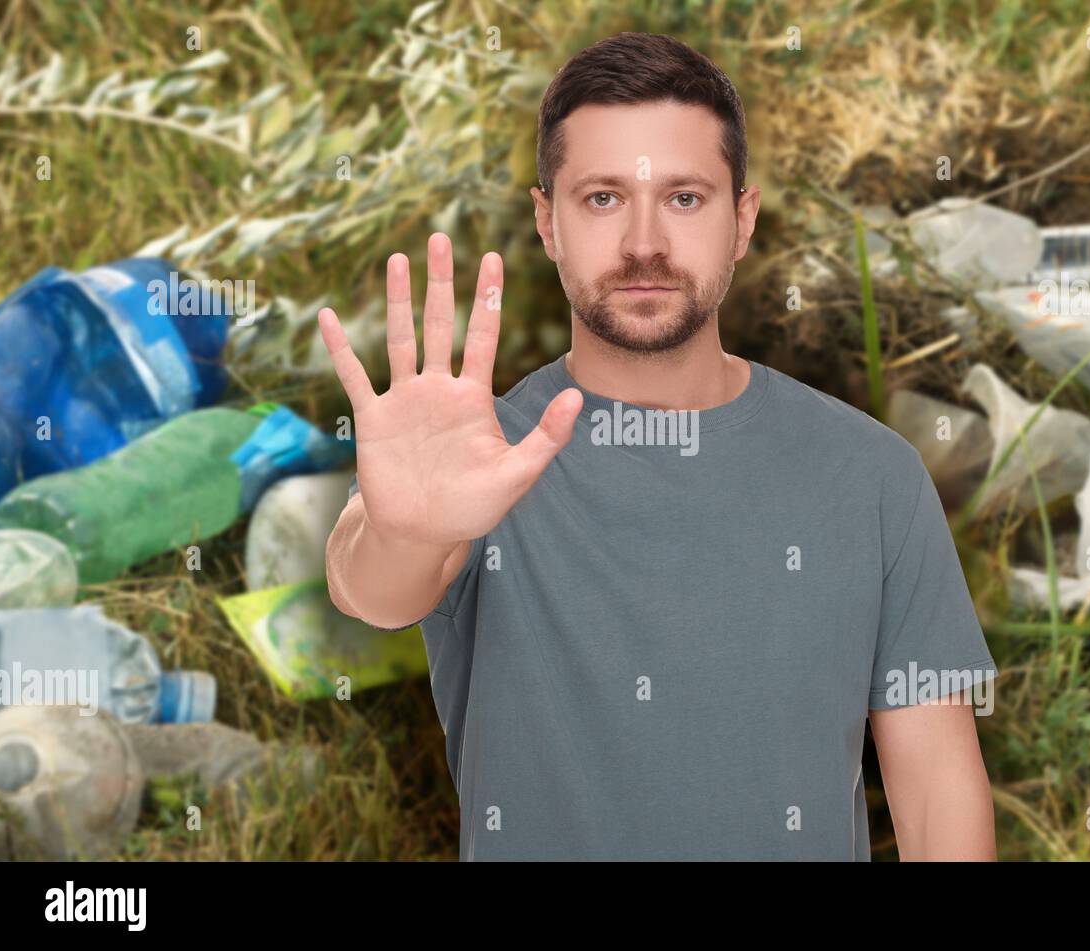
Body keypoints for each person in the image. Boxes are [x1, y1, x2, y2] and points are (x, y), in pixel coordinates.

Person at [322, 32, 997, 861]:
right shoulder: (484, 459)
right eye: (602, 198)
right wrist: (400, 528)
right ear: (549, 222)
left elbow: (936, 795)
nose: (644, 243)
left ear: (742, 220)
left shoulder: (873, 475)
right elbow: (374, 591)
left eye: (684, 198)